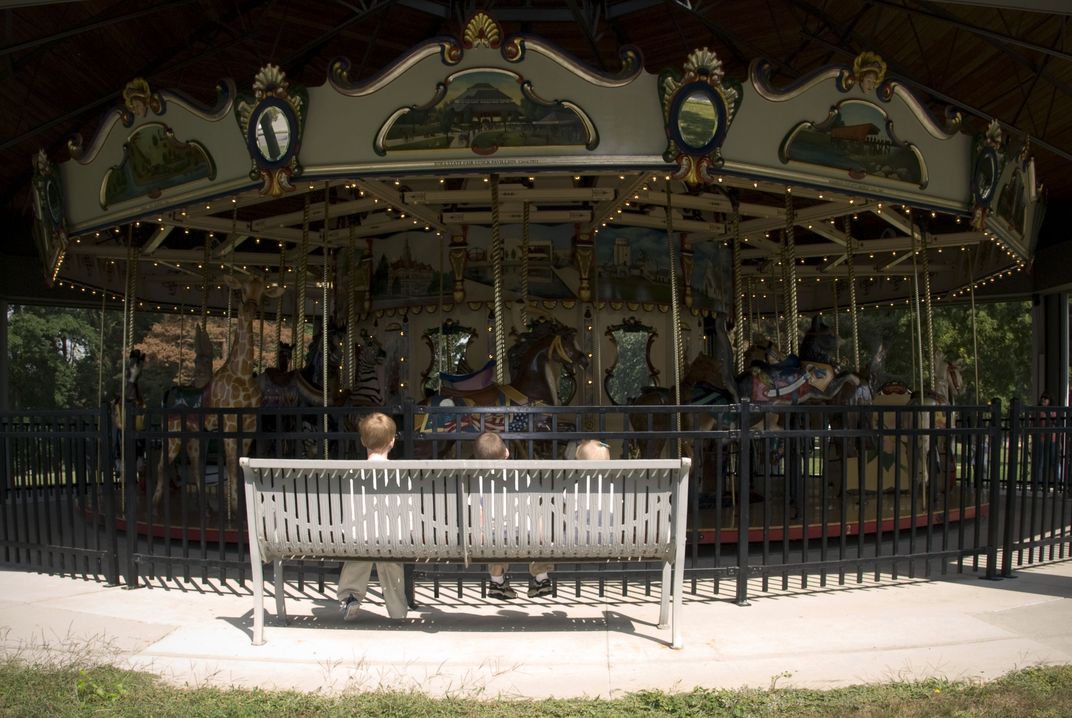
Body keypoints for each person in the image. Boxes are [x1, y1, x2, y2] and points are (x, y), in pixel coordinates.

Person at [338, 412, 408, 621]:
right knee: (392, 563)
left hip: (360, 537)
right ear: (392, 442)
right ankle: (397, 610)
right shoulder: (401, 474)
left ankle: (350, 597)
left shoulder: (353, 474)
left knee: (358, 556)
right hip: (392, 537)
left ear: (362, 441)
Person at [472, 431, 555, 600]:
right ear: (507, 453)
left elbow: (479, 515)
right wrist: (542, 536)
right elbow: (534, 509)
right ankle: (541, 578)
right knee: (538, 523)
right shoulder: (520, 477)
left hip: (495, 535)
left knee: (493, 536)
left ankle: (497, 581)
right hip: (524, 533)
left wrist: (480, 537)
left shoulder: (478, 481)